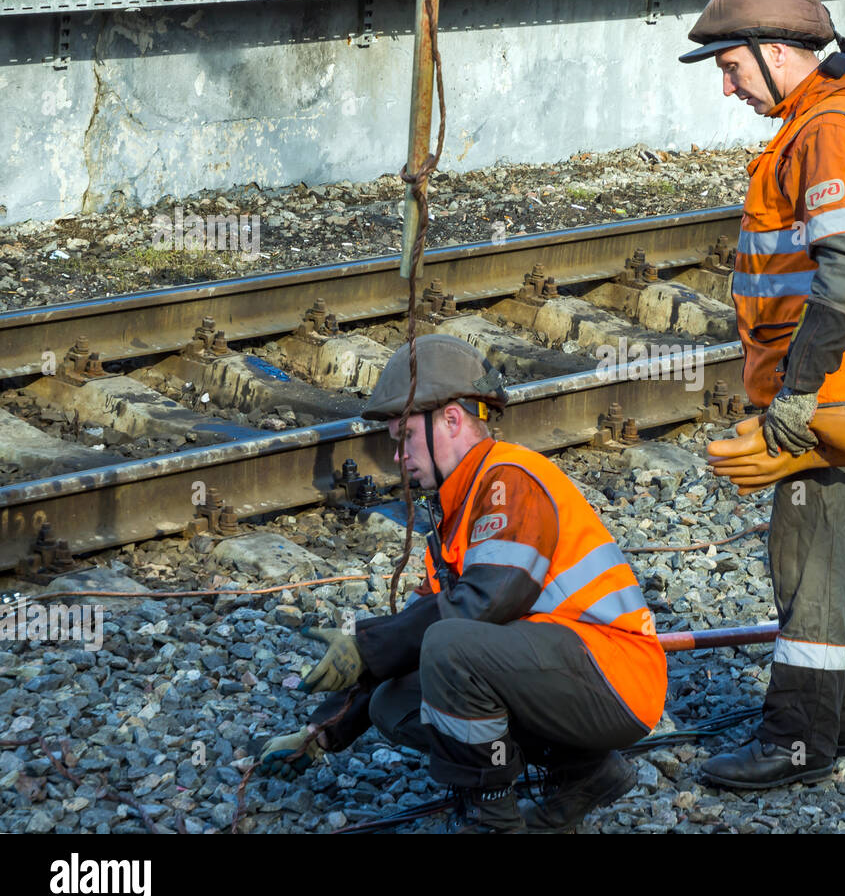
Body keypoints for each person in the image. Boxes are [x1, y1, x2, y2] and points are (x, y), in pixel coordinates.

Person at [258, 334, 668, 832]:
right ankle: (584, 773)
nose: (397, 457)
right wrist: (323, 733)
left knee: (450, 646)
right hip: (566, 677)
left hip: (615, 678)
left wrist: (367, 646)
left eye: (405, 436)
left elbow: (490, 599)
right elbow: (416, 635)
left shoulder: (509, 480)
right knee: (396, 701)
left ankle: (493, 819)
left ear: (451, 420)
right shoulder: (456, 515)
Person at [679, 0, 845, 788]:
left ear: (778, 52)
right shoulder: (842, 118)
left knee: (807, 557)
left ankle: (795, 744)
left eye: (733, 66)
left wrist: (797, 396)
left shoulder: (829, 133)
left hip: (833, 388)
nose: (727, 85)